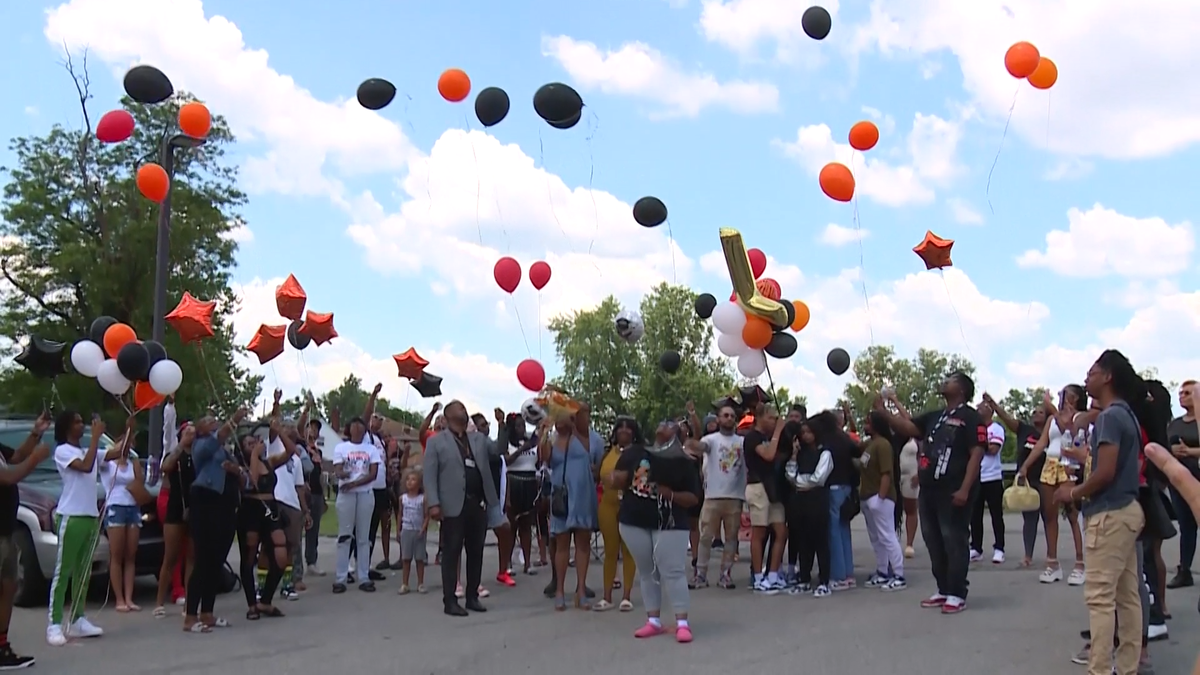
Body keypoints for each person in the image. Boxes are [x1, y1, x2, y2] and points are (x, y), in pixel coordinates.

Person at [1065, 350, 1146, 675]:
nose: (1087, 379)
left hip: (1109, 514)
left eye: (1092, 372)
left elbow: (1105, 473)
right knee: (1127, 596)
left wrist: (1072, 492)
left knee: (1100, 598)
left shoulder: (1109, 417)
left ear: (1108, 376)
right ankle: (1127, 667)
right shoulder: (1127, 415)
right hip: (1127, 510)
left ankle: (1098, 668)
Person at [876, 372, 985, 614]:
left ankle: (957, 592)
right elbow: (908, 427)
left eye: (951, 379)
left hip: (953, 489)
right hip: (929, 489)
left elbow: (976, 454)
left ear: (962, 389)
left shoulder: (971, 417)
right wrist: (883, 413)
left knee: (953, 539)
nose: (945, 381)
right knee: (933, 539)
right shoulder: (936, 416)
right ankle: (943, 589)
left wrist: (965, 488)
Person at [611, 420, 701, 643]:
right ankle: (653, 621)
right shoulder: (636, 452)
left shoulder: (684, 460)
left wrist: (670, 494)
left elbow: (693, 498)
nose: (663, 425)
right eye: (662, 422)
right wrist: (616, 479)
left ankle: (682, 623)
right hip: (634, 520)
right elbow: (617, 478)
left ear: (679, 433)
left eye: (670, 424)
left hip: (670, 522)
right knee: (647, 571)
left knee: (673, 571)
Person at [424, 403, 507, 616]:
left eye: (464, 407)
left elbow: (499, 450)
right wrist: (433, 503)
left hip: (477, 503)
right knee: (451, 552)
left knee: (476, 552)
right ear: (448, 415)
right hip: (452, 505)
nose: (463, 410)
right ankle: (450, 601)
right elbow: (429, 475)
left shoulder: (477, 439)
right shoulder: (436, 442)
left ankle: (472, 597)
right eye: (459, 408)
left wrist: (501, 425)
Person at [47, 411, 110, 646]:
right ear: (66, 428)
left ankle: (77, 618)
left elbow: (117, 454)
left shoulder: (87, 450)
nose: (82, 425)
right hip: (71, 516)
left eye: (82, 421)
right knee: (64, 571)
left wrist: (129, 429)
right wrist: (95, 439)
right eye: (77, 422)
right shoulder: (63, 451)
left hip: (90, 516)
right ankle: (54, 623)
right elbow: (84, 466)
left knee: (83, 572)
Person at [184, 408, 247, 634]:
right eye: (208, 420)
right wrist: (234, 420)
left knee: (216, 561)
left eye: (215, 420)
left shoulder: (225, 451)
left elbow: (244, 475)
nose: (214, 422)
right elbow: (217, 438)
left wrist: (236, 470)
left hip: (226, 505)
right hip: (206, 502)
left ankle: (207, 612)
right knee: (203, 559)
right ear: (199, 429)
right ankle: (190, 616)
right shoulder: (200, 445)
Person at [1019, 385, 1088, 585]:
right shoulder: (1052, 420)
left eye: (1067, 394)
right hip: (1050, 464)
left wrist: (1051, 408)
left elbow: (1069, 430)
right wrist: (1025, 466)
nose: (1063, 397)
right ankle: (1052, 563)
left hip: (1069, 465)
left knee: (1073, 515)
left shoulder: (1081, 417)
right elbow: (1042, 443)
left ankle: (1080, 564)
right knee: (1050, 515)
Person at [0, 413, 52, 667]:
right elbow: (8, 477)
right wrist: (36, 459)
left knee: (8, 586)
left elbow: (17, 456)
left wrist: (36, 433)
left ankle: (2, 647)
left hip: (5, 530)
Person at [238, 419, 297, 618]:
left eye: (254, 442)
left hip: (269, 508)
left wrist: (280, 432)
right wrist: (254, 455)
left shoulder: (269, 462)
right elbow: (253, 481)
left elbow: (291, 451)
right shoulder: (242, 467)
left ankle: (265, 600)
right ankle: (252, 604)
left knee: (281, 554)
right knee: (249, 556)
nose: (254, 445)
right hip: (251, 509)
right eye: (249, 444)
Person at [540, 413, 599, 610]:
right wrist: (544, 434)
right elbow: (545, 459)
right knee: (562, 543)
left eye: (562, 418)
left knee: (583, 543)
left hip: (582, 494)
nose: (559, 422)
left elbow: (590, 453)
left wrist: (574, 426)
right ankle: (559, 590)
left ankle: (581, 590)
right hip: (561, 496)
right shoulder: (552, 439)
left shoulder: (583, 437)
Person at [984, 392, 1048, 568]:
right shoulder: (1024, 429)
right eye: (1034, 412)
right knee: (1030, 520)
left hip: (1046, 481)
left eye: (1040, 412)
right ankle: (1028, 556)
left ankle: (1051, 555)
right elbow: (1006, 418)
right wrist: (994, 405)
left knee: (1049, 519)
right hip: (1027, 481)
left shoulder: (1050, 433)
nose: (1036, 414)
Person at [693, 405, 745, 591]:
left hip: (735, 497)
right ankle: (700, 574)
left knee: (731, 538)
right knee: (706, 537)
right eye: (725, 415)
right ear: (718, 419)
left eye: (732, 416)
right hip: (712, 496)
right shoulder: (711, 440)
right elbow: (701, 446)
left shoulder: (742, 442)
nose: (729, 418)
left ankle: (725, 574)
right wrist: (693, 439)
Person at [99, 422, 146, 613]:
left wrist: (136, 463)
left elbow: (140, 483)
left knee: (131, 554)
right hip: (115, 506)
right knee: (116, 554)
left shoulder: (132, 463)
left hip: (132, 507)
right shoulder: (108, 463)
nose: (128, 447)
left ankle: (129, 597)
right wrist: (129, 429)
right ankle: (119, 598)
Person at [332, 416, 381, 594]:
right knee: (345, 535)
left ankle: (364, 576)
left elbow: (373, 474)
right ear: (349, 429)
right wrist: (342, 474)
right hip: (346, 495)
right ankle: (341, 577)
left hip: (364, 493)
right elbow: (337, 468)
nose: (358, 429)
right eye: (354, 426)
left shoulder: (371, 449)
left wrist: (354, 483)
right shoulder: (341, 447)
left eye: (361, 426)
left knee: (363, 537)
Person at [782, 421, 831, 596]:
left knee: (820, 541)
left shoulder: (824, 453)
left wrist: (799, 482)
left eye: (809, 432)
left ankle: (824, 581)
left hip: (817, 500)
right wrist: (794, 455)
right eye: (803, 432)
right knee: (803, 541)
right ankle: (804, 578)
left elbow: (819, 478)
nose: (806, 435)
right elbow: (790, 474)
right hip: (800, 501)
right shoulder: (800, 454)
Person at [595, 417, 639, 611]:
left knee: (629, 550)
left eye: (628, 428)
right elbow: (597, 475)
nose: (624, 431)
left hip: (630, 505)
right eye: (620, 427)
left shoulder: (638, 453)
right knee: (610, 551)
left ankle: (626, 596)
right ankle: (606, 597)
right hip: (607, 505)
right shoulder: (608, 453)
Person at [859, 411, 905, 591]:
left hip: (880, 497)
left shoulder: (883, 445)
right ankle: (882, 570)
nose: (865, 425)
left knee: (887, 536)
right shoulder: (870, 444)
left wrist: (881, 497)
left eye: (868, 422)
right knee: (876, 538)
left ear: (876, 425)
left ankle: (899, 574)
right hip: (868, 497)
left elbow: (887, 473)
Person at [743, 405, 786, 593]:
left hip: (772, 488)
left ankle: (773, 575)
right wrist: (777, 432)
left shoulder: (767, 438)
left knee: (781, 532)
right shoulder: (753, 437)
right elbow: (768, 455)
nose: (774, 422)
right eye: (771, 418)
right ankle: (758, 577)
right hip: (758, 487)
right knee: (759, 533)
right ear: (759, 417)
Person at [156, 422, 195, 617]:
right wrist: (181, 446)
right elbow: (165, 467)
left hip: (194, 507)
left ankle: (190, 602)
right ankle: (159, 602)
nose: (191, 434)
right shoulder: (175, 454)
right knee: (170, 557)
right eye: (188, 432)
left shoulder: (198, 455)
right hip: (175, 507)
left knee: (191, 557)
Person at [819, 410, 858, 591]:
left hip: (833, 486)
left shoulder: (827, 441)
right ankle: (848, 573)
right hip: (846, 487)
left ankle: (838, 574)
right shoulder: (846, 439)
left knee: (833, 532)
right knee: (844, 530)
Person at [1167, 379, 1199, 589]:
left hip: (1197, 475)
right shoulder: (1175, 423)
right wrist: (1172, 451)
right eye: (1180, 393)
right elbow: (1164, 444)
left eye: (1187, 393)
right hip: (1178, 480)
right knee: (1186, 525)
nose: (1182, 396)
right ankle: (1184, 570)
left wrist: (1191, 451)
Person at [503, 413, 541, 577]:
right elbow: (506, 461)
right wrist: (521, 450)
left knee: (526, 526)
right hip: (514, 482)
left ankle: (527, 563)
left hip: (530, 483)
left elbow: (538, 461)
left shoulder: (530, 441)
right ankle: (507, 563)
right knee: (512, 526)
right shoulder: (507, 443)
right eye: (518, 426)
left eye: (523, 425)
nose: (521, 428)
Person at [970, 402, 1007, 565]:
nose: (978, 409)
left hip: (992, 477)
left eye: (982, 407)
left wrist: (978, 446)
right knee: (974, 515)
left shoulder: (996, 429)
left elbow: (993, 449)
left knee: (996, 515)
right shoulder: (973, 428)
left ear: (990, 411)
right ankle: (976, 548)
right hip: (976, 477)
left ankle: (999, 548)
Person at [397, 470, 428, 594]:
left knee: (419, 559)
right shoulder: (402, 499)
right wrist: (398, 530)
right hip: (406, 530)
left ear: (419, 483)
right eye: (408, 479)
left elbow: (426, 515)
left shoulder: (423, 499)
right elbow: (400, 514)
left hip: (418, 531)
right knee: (406, 559)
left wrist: (423, 528)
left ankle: (420, 583)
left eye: (413, 479)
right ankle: (405, 583)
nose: (410, 482)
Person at [303, 420, 327, 577]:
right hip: (303, 492)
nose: (313, 431)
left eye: (316, 429)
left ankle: (311, 561)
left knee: (314, 528)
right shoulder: (300, 448)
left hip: (316, 493)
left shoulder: (318, 452)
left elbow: (320, 476)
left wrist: (323, 497)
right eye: (310, 428)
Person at [898, 436, 920, 559]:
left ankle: (909, 544)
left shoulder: (916, 436)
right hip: (896, 474)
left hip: (911, 475)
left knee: (910, 508)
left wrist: (920, 473)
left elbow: (924, 453)